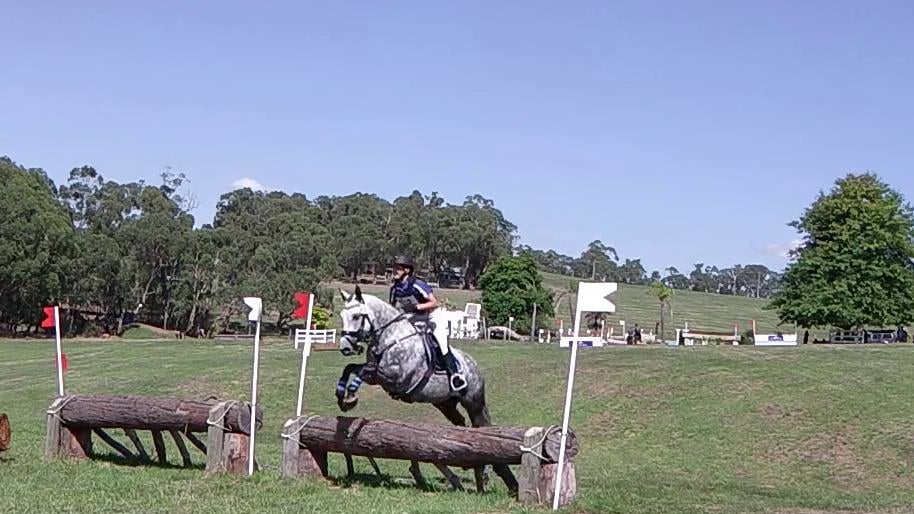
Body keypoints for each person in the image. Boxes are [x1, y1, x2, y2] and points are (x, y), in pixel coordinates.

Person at [389, 256, 467, 392]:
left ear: (407, 270)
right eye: (394, 267)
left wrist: (417, 307)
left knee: (441, 344)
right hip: (413, 317)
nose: (395, 270)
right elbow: (392, 308)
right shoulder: (395, 288)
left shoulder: (417, 284)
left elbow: (434, 302)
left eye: (398, 268)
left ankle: (456, 375)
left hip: (432, 316)